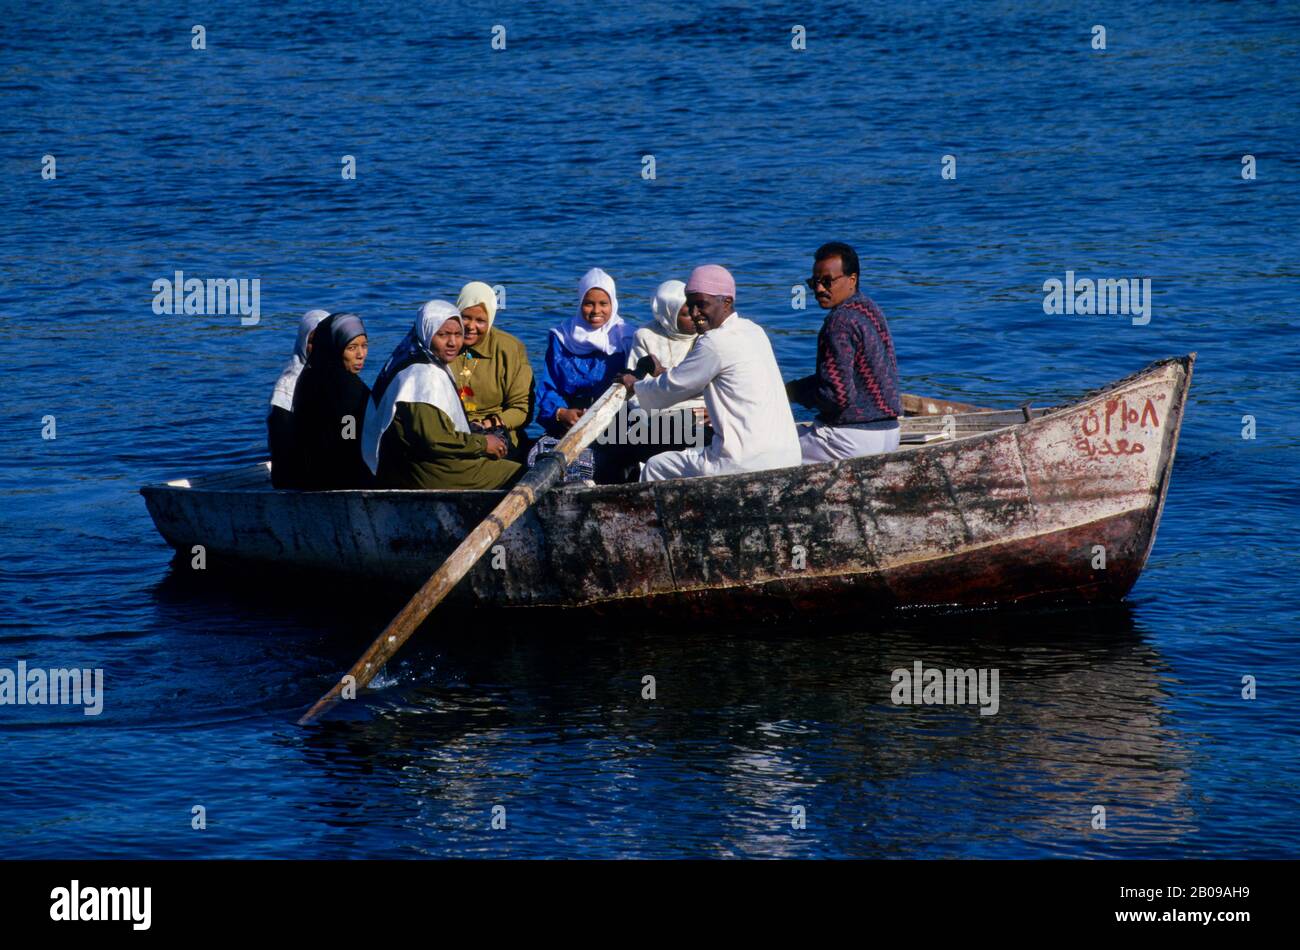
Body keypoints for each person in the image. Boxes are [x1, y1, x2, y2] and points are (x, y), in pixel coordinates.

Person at [617, 264, 800, 481]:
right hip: (789, 456)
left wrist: (634, 385)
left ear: (727, 302)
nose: (695, 314)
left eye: (701, 305)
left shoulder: (714, 341)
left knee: (656, 466)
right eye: (691, 306)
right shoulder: (754, 331)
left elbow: (672, 387)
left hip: (741, 462)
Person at [363, 300, 520, 490]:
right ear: (428, 333)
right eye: (443, 335)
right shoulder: (423, 376)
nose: (453, 343)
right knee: (520, 474)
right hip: (433, 471)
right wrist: (483, 443)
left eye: (457, 334)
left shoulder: (410, 356)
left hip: (415, 465)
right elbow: (435, 440)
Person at [785, 241, 901, 462]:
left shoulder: (839, 322)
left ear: (852, 279)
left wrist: (789, 394)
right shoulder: (871, 309)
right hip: (889, 434)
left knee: (766, 451)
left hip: (850, 439)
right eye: (814, 282)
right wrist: (791, 390)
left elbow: (836, 395)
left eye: (827, 281)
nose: (819, 289)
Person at [533, 267, 637, 482]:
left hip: (613, 424)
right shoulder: (561, 337)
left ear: (613, 304)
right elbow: (549, 386)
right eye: (589, 303)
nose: (596, 310)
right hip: (569, 424)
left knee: (599, 463)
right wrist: (562, 413)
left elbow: (638, 389)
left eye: (603, 304)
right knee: (539, 458)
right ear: (580, 303)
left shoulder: (626, 337)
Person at [623, 279, 709, 462]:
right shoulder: (646, 337)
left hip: (703, 413)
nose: (695, 317)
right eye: (686, 314)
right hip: (661, 415)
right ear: (667, 315)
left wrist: (714, 409)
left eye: (696, 309)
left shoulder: (707, 335)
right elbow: (636, 395)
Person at [448, 280, 535, 459]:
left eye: (480, 320)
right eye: (465, 317)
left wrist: (486, 424)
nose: (471, 326)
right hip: (452, 434)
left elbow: (521, 410)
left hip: (498, 436)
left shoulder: (509, 349)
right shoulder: (446, 344)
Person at [292, 312, 375, 490]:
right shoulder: (349, 391)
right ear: (335, 348)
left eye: (364, 346)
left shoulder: (308, 377)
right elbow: (349, 438)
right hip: (342, 481)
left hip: (309, 477)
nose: (361, 354)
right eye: (352, 348)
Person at [267, 308, 329, 488]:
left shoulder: (333, 377)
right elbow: (282, 442)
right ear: (302, 342)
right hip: (296, 476)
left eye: (325, 339)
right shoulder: (287, 385)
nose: (319, 346)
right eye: (312, 341)